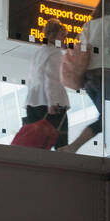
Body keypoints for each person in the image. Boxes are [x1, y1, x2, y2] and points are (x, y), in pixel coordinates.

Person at [61, 0, 110, 154]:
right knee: (109, 119)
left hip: (89, 76)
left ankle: (76, 148)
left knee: (107, 119)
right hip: (108, 72)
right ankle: (108, 155)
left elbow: (82, 47)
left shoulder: (89, 24)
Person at [23, 17, 70, 147]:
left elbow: (32, 79)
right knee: (61, 144)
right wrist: (53, 103)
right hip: (51, 104)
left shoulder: (38, 53)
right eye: (62, 35)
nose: (64, 39)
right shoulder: (55, 53)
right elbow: (52, 80)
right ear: (53, 35)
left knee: (36, 144)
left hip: (32, 102)